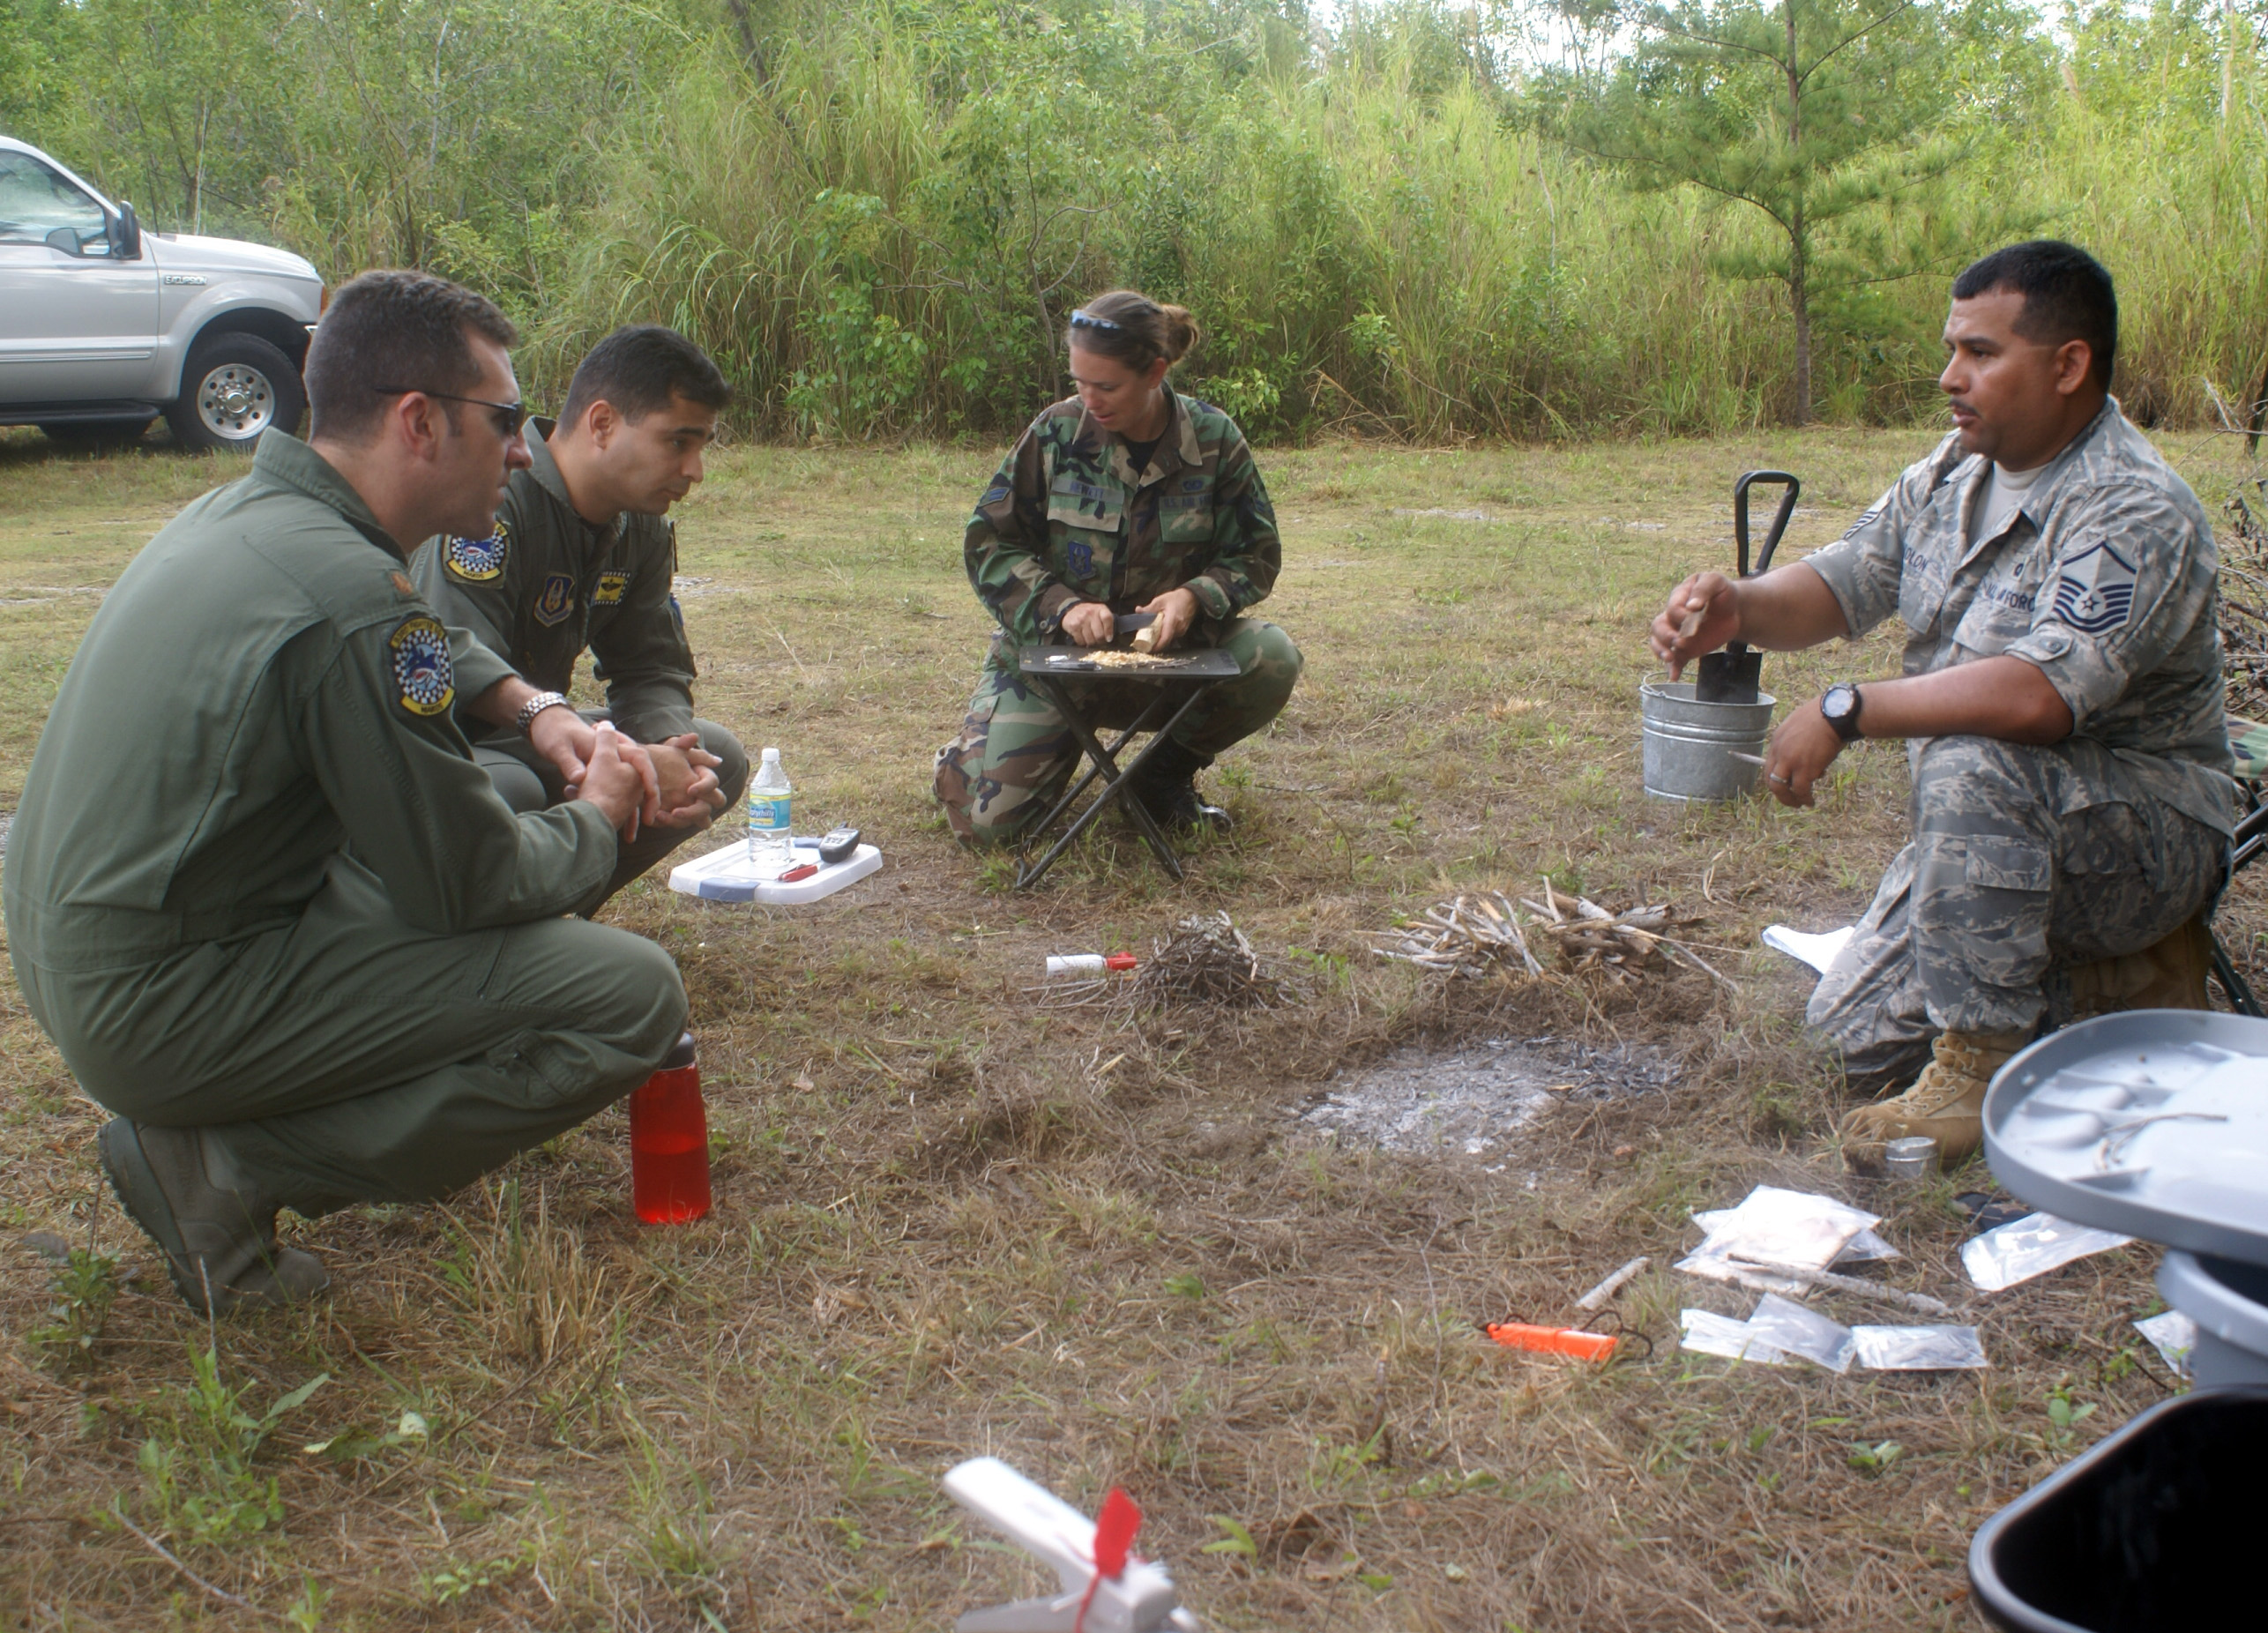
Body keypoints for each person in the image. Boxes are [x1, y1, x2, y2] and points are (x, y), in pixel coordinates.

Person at [2, 271, 690, 1314]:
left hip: (104, 948)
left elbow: (389, 635)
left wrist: (526, 702)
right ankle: (227, 1170)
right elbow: (466, 878)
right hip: (162, 997)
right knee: (630, 998)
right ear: (418, 422)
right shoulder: (356, 604)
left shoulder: (252, 515)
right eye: (503, 418)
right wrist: (600, 815)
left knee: (488, 826)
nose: (520, 446)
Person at [1650, 241, 2233, 1171]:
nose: (1947, 375)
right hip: (1993, 837)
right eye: (1951, 348)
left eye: (1979, 352)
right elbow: (1846, 581)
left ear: (2068, 365)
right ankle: (2107, 985)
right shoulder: (1957, 466)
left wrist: (1845, 708)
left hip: (2141, 833)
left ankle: (1984, 1064)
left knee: (1969, 747)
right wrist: (1739, 608)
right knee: (1843, 1040)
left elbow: (2037, 695)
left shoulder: (2131, 508)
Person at [934, 289, 1303, 839]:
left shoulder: (1214, 440)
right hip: (1057, 664)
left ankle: (1158, 779)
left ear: (1155, 372)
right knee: (992, 830)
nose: (1089, 400)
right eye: (1079, 383)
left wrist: (1195, 596)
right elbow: (990, 543)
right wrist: (1062, 606)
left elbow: (1256, 553)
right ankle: (968, 758)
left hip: (1170, 665)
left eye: (1106, 386)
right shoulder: (1055, 434)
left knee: (1271, 656)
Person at [411, 324, 747, 906]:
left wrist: (668, 747)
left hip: (546, 740)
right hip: (445, 748)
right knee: (506, 787)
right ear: (602, 424)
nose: (695, 470)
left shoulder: (637, 526)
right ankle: (491, 933)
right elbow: (452, 656)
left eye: (702, 448)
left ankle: (558, 913)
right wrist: (589, 744)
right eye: (678, 442)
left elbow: (650, 665)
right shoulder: (495, 499)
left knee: (714, 759)